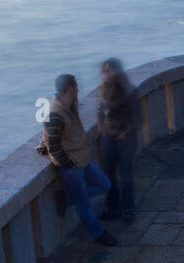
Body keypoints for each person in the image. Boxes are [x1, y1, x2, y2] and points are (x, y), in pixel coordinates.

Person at [42, 74, 118, 246]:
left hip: (81, 160)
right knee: (83, 206)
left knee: (104, 184)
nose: (78, 88)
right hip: (72, 166)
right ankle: (99, 234)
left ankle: (68, 198)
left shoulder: (70, 104)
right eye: (75, 85)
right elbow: (52, 144)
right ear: (70, 88)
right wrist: (68, 164)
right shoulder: (55, 113)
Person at [96, 58, 135, 221]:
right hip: (107, 137)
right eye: (105, 71)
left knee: (126, 176)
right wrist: (101, 129)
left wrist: (125, 132)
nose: (107, 75)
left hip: (125, 138)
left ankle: (129, 209)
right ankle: (113, 207)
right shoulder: (103, 91)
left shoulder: (128, 90)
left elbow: (137, 116)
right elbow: (101, 112)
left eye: (110, 71)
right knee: (108, 174)